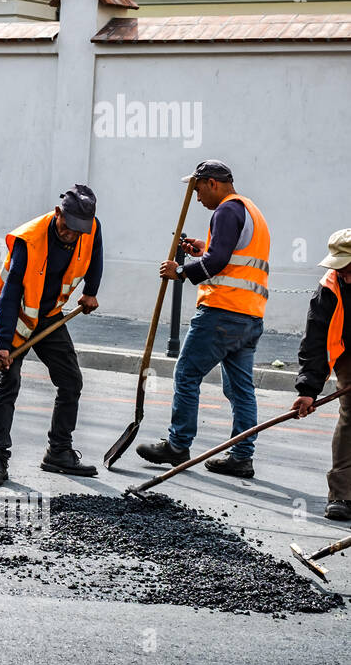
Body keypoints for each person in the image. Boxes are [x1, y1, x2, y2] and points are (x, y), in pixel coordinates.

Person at [137, 160, 270, 478]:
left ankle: (178, 445)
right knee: (241, 389)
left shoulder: (225, 210)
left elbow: (220, 260)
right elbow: (228, 256)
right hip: (250, 315)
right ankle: (242, 456)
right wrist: (204, 249)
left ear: (212, 183)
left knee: (186, 374)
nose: (196, 198)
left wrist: (180, 271)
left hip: (222, 313)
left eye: (197, 189)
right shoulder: (250, 210)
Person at [0, 185, 103, 486]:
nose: (71, 235)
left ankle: (58, 451)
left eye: (78, 231)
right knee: (8, 382)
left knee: (71, 381)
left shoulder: (90, 228)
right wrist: (4, 346)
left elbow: (96, 255)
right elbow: (9, 296)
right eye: (67, 227)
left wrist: (90, 292)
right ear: (58, 213)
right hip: (19, 315)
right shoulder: (30, 240)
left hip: (49, 316)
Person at [292, 230, 351, 520]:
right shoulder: (329, 287)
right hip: (347, 352)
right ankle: (342, 494)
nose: (345, 275)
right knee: (350, 416)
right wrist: (307, 390)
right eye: (340, 268)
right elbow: (315, 340)